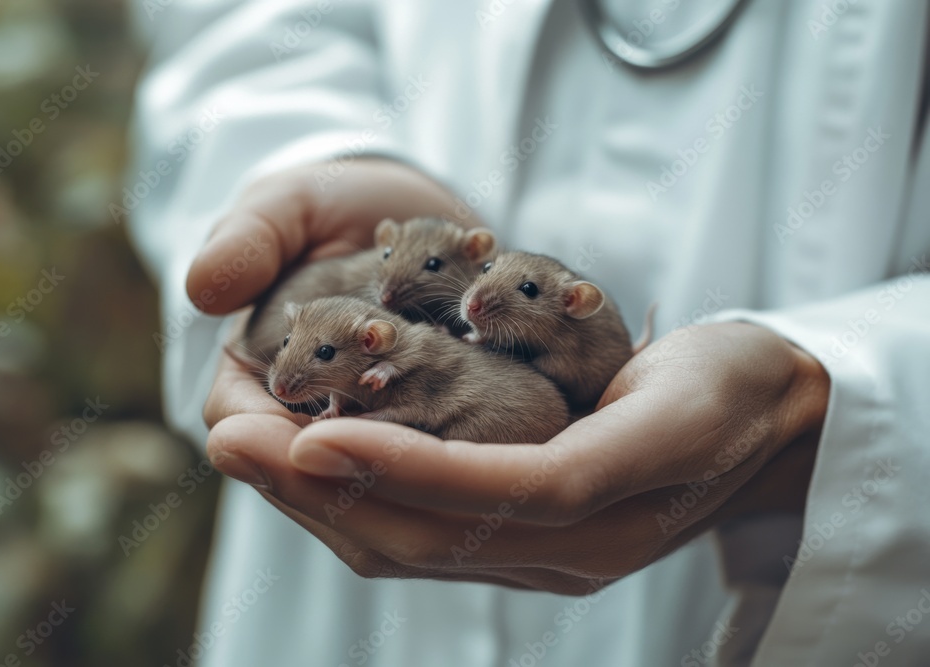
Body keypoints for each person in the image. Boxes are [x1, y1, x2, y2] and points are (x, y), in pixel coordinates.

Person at [127, 1, 930, 664]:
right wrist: (315, 159)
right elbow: (244, 34)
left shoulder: (498, 337)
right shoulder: (404, 319)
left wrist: (841, 388)